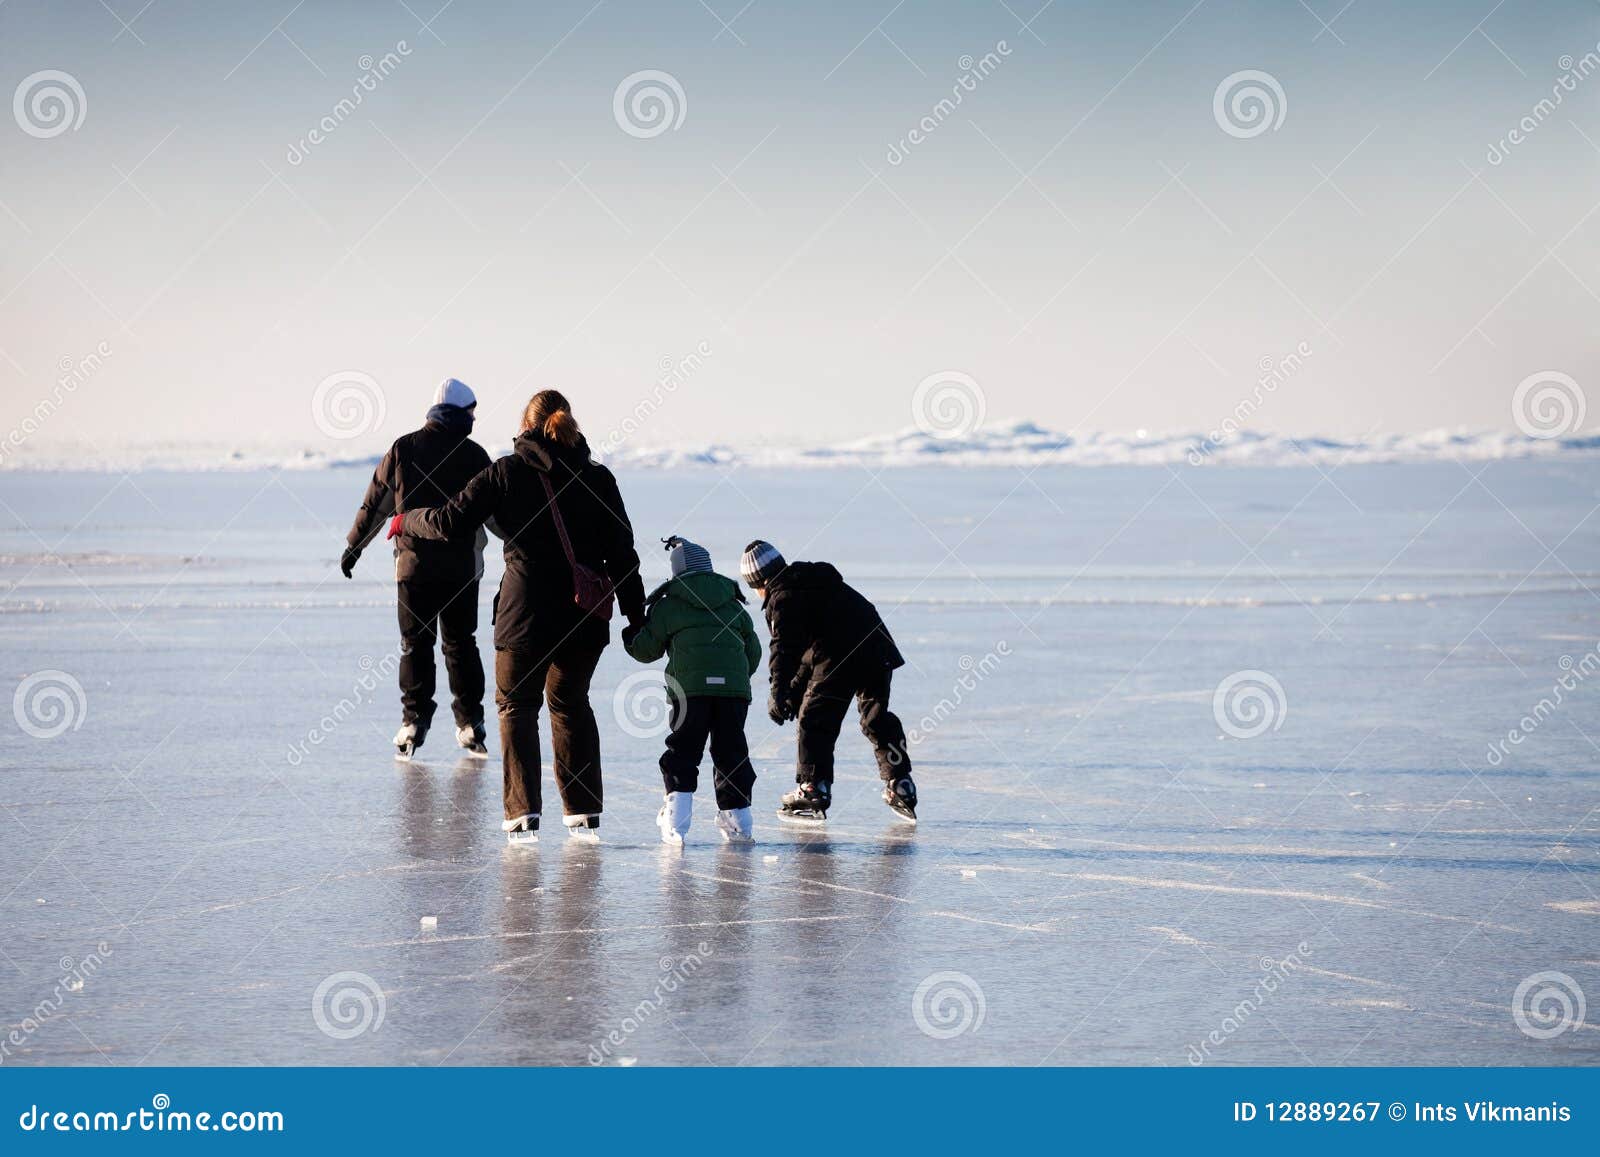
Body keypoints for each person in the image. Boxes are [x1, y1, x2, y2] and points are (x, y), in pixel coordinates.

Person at [393, 389, 645, 845]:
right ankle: (583, 812)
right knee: (570, 704)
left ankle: (522, 815)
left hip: (524, 614)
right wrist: (635, 616)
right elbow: (624, 554)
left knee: (516, 707)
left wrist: (406, 520)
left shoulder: (506, 473)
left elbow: (450, 522)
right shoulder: (599, 478)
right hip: (583, 617)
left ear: (526, 427)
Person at [342, 378, 493, 760]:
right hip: (461, 569)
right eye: (472, 412)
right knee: (461, 645)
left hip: (413, 569)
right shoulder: (474, 455)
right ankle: (469, 722)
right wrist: (527, 544)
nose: (475, 418)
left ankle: (414, 720)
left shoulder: (404, 448)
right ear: (463, 412)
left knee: (415, 645)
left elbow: (376, 501)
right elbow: (498, 512)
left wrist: (354, 545)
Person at [740, 539, 918, 824]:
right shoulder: (815, 583)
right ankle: (900, 782)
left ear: (759, 582)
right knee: (875, 718)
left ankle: (812, 787)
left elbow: (785, 649)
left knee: (814, 721)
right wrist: (793, 690)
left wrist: (778, 691)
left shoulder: (782, 597)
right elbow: (809, 651)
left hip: (839, 658)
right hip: (877, 650)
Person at [623, 536, 762, 845]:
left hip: (689, 693)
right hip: (733, 695)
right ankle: (739, 821)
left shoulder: (669, 605)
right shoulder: (734, 606)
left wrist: (631, 634)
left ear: (677, 571)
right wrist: (734, 678)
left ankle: (676, 821)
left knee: (684, 751)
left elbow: (647, 650)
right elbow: (752, 652)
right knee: (731, 753)